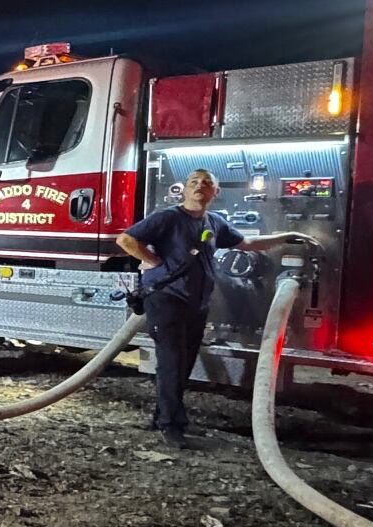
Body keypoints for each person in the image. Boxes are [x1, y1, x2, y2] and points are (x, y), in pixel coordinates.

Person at [116, 168, 311, 449]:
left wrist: (287, 236)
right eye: (193, 182)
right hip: (165, 299)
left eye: (206, 183)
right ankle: (172, 427)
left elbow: (248, 243)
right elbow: (125, 239)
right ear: (184, 190)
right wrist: (156, 262)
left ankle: (162, 418)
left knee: (183, 362)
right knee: (171, 361)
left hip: (196, 304)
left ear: (215, 193)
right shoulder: (168, 217)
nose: (199, 186)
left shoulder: (215, 222)